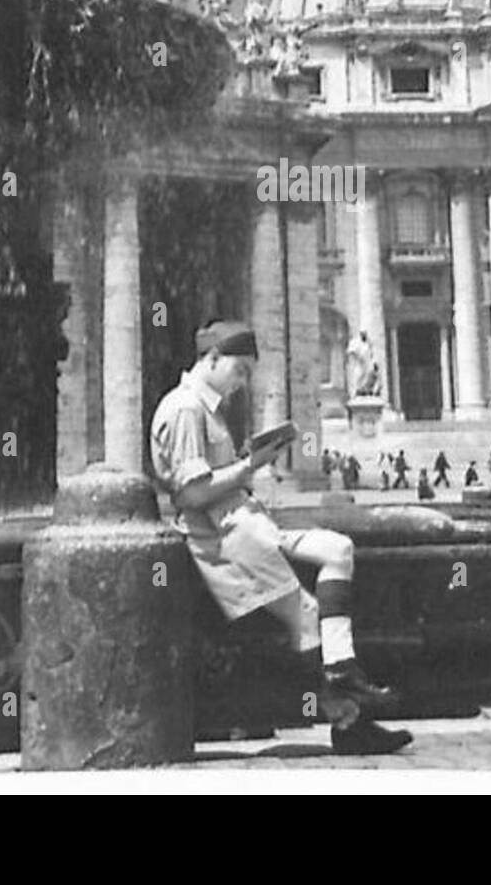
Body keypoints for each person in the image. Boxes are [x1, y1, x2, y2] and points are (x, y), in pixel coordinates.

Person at [150, 319, 411, 755]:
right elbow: (192, 493)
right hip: (224, 538)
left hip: (249, 524)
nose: (243, 383)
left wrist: (248, 463)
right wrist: (250, 465)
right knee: (307, 617)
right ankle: (349, 722)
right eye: (240, 371)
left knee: (338, 549)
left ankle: (343, 670)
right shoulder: (184, 409)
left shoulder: (206, 409)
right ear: (212, 359)